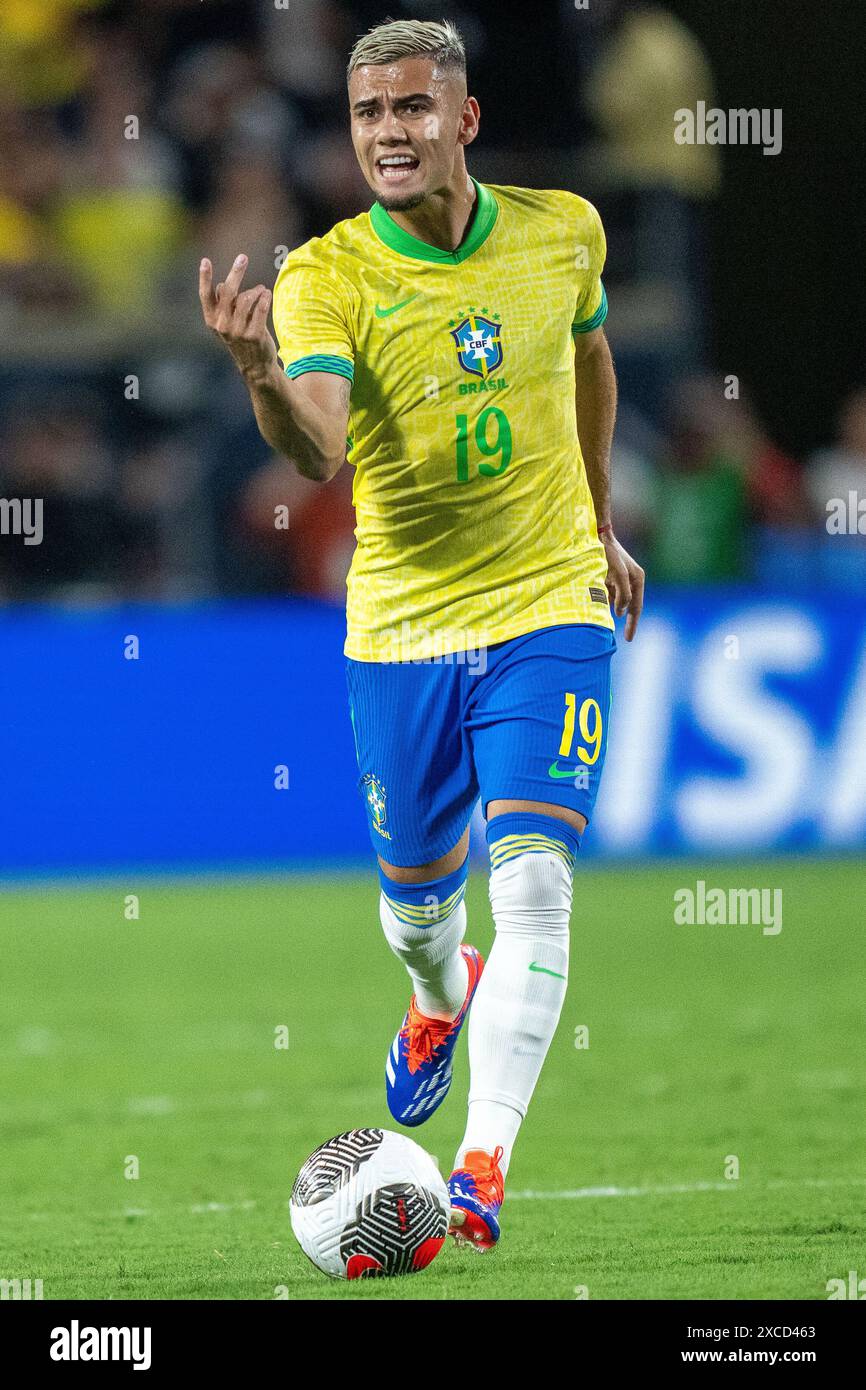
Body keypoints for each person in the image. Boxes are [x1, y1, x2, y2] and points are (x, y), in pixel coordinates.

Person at [199, 17, 644, 1254]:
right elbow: (321, 448)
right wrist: (258, 381)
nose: (387, 135)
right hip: (400, 625)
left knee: (537, 882)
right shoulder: (328, 274)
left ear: (463, 119)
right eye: (366, 116)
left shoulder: (564, 229)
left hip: (548, 606)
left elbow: (590, 353)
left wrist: (599, 524)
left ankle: (480, 1164)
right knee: (417, 916)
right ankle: (430, 999)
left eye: (408, 109)